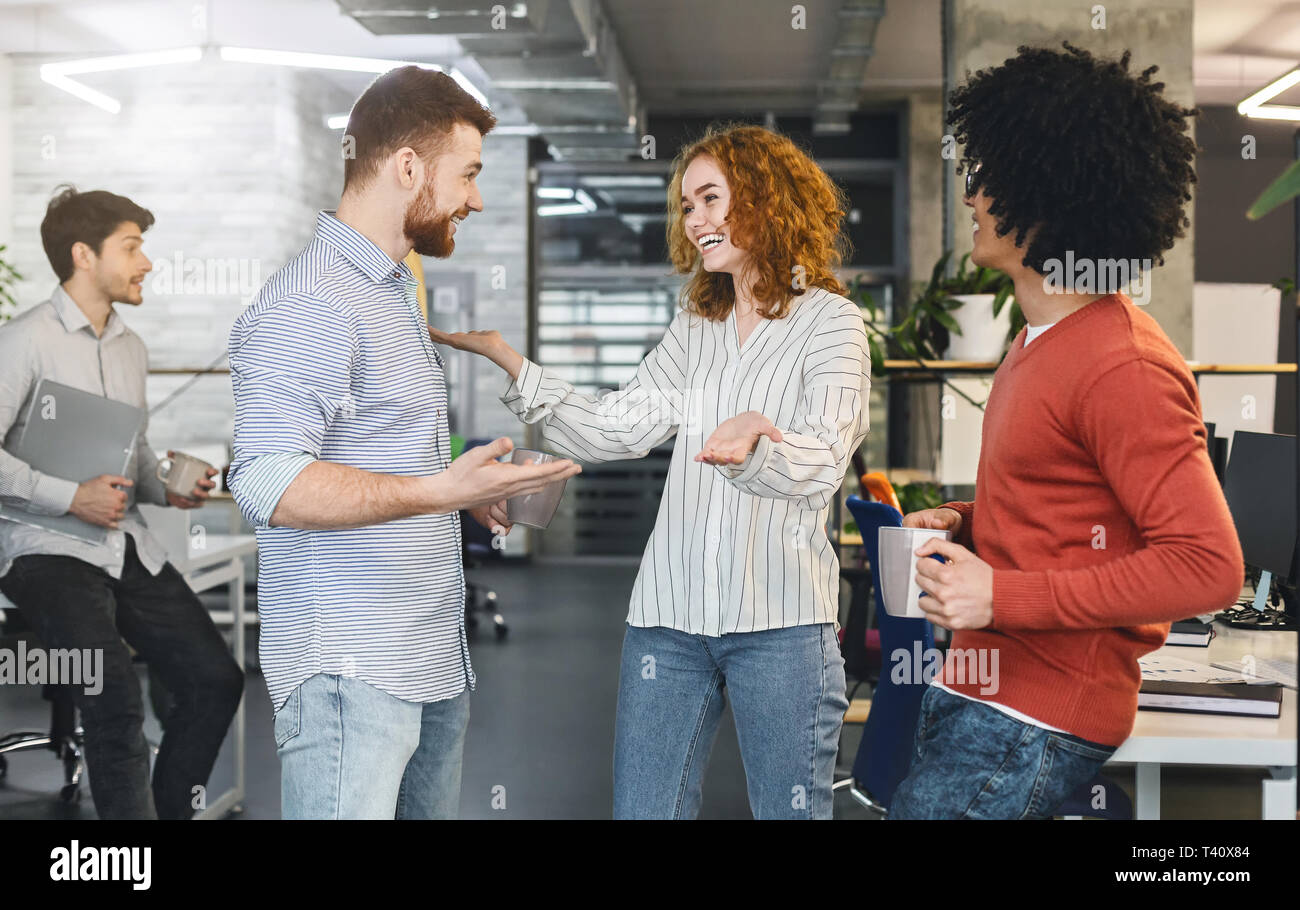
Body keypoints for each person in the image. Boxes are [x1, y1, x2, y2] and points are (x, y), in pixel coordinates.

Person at [432, 124, 870, 819]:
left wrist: (759, 447)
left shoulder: (833, 324)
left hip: (784, 625)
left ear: (762, 197)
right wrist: (513, 365)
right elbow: (614, 430)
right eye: (687, 206)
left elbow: (821, 461)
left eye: (709, 199)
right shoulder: (695, 328)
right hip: (668, 623)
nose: (695, 220)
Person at [888, 43, 1244, 819]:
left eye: (989, 177)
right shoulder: (1035, 340)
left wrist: (1001, 594)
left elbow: (1209, 566)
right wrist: (968, 523)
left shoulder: (1123, 365)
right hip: (986, 693)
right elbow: (1068, 511)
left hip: (1033, 718)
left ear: (1045, 195)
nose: (973, 196)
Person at [226, 66, 581, 820]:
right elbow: (266, 481)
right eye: (470, 174)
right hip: (350, 674)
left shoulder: (391, 290)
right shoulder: (312, 299)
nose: (476, 198)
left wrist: (464, 495)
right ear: (408, 166)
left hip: (427, 660)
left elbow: (384, 460)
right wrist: (437, 493)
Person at [0, 186, 241, 819]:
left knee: (215, 680)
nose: (147, 262)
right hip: (45, 547)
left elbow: (131, 458)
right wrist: (69, 497)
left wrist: (166, 485)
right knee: (112, 704)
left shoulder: (130, 347)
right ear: (84, 254)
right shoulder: (25, 341)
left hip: (122, 541)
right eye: (132, 247)